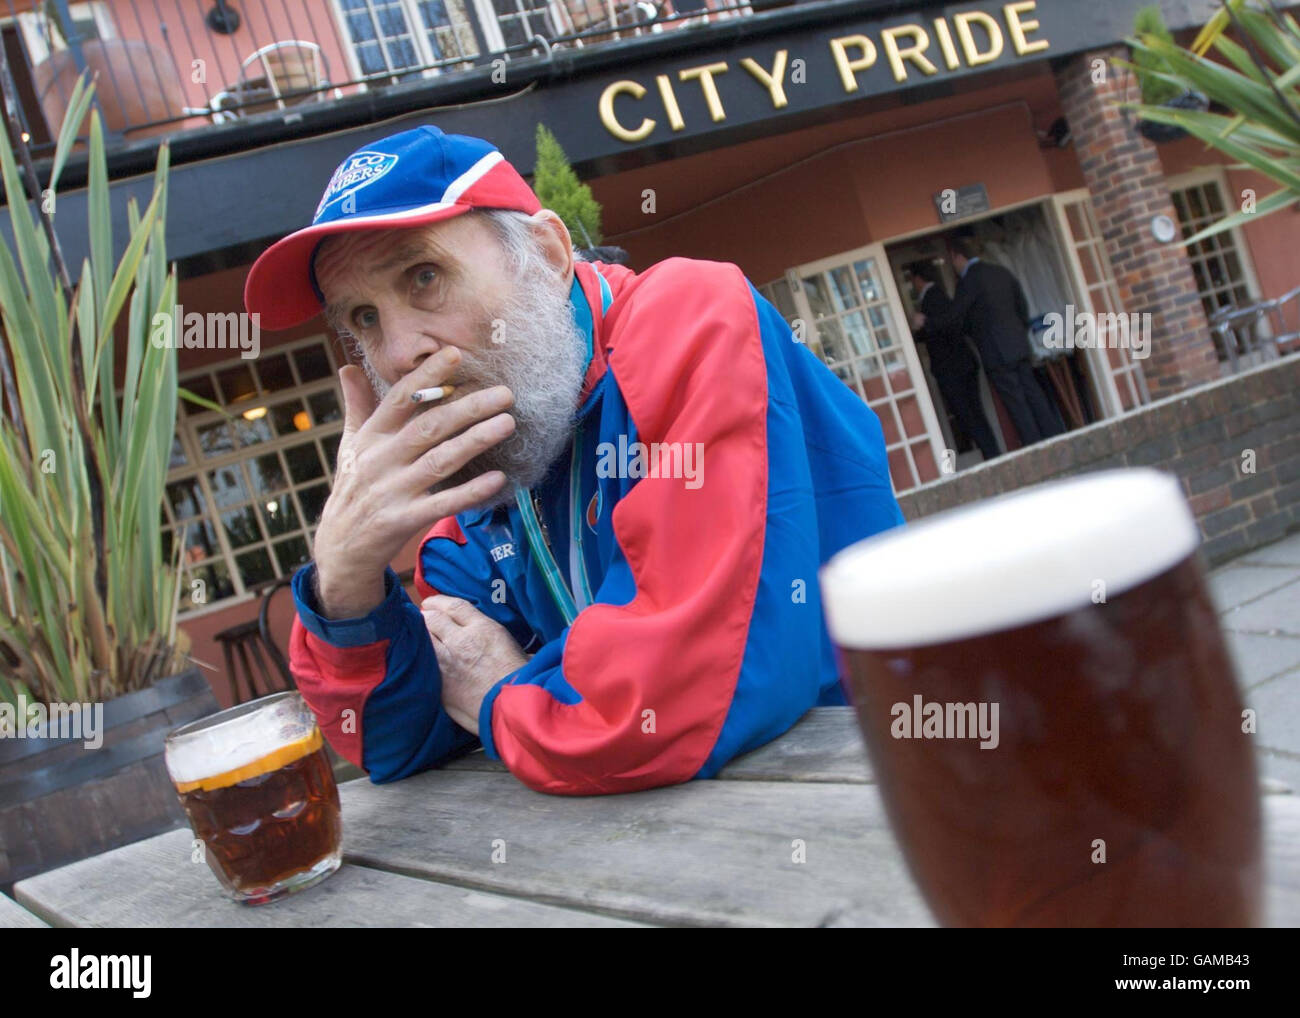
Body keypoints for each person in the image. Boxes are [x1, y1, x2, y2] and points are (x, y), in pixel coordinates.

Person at [242, 125, 905, 796]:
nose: (398, 353)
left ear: (549, 253)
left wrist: (503, 690)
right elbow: (400, 742)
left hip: (881, 793)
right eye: (363, 319)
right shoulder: (480, 494)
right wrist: (347, 582)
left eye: (424, 276)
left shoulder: (690, 322)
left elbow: (676, 704)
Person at [912, 237, 1065, 447]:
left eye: (952, 260)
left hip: (996, 353)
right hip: (1020, 346)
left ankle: (1036, 446)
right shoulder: (1001, 273)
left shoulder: (969, 282)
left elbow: (954, 316)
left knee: (1017, 403)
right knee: (1034, 393)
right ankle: (1056, 438)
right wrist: (1018, 334)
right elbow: (1022, 308)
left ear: (958, 256)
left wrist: (926, 322)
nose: (953, 266)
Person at [904, 260, 1000, 462]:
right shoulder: (937, 296)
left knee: (969, 415)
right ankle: (992, 455)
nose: (912, 284)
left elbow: (946, 326)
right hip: (961, 364)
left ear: (918, 278)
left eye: (912, 279)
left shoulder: (932, 297)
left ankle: (992, 457)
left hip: (953, 369)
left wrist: (923, 325)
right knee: (974, 414)